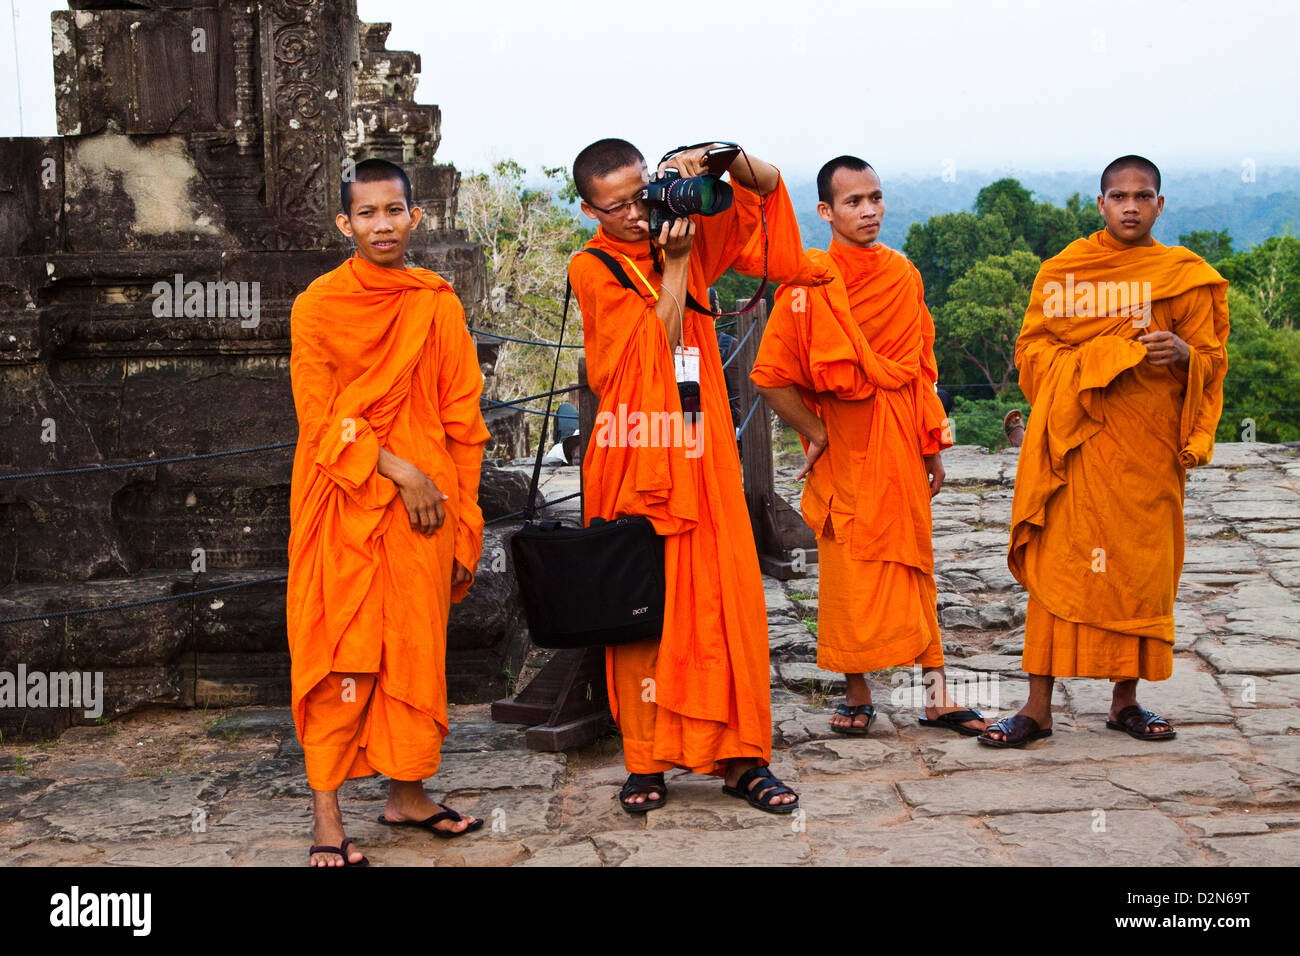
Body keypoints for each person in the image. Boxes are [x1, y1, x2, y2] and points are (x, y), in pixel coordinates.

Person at [570, 138, 830, 814]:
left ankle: (741, 757)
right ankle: (646, 762)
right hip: (635, 454)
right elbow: (645, 354)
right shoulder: (593, 265)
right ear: (589, 208)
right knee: (643, 612)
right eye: (616, 206)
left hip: (700, 448)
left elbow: (766, 194)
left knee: (721, 600)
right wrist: (679, 267)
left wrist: (723, 156)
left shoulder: (677, 230)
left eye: (640, 196)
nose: (634, 214)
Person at [981, 155, 1229, 747]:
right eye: (1119, 196)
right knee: (1060, 565)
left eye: (1143, 196)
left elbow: (1212, 360)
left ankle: (1126, 701)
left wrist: (1186, 357)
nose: (1130, 207)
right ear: (1100, 204)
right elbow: (1031, 352)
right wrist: (1098, 360)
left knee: (1140, 571)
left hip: (1147, 450)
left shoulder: (1185, 276)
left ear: (1159, 205)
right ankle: (1037, 707)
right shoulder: (1068, 273)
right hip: (1074, 446)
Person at [287, 158, 491, 865]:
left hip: (426, 512)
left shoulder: (435, 302)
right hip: (343, 500)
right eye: (366, 214)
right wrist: (398, 469)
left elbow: (464, 419)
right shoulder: (317, 306)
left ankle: (407, 794)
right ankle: (326, 816)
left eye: (393, 211)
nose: (382, 225)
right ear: (345, 224)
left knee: (411, 650)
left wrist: (462, 513)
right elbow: (319, 423)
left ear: (415, 216)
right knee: (340, 650)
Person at [752, 156, 986, 737]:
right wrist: (818, 430)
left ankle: (937, 693)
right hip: (846, 448)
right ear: (826, 212)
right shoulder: (808, 286)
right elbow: (770, 375)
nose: (869, 211)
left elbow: (920, 369)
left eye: (875, 198)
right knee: (848, 572)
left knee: (914, 565)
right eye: (854, 202)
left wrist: (932, 444)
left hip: (900, 439)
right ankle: (856, 691)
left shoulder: (903, 275)